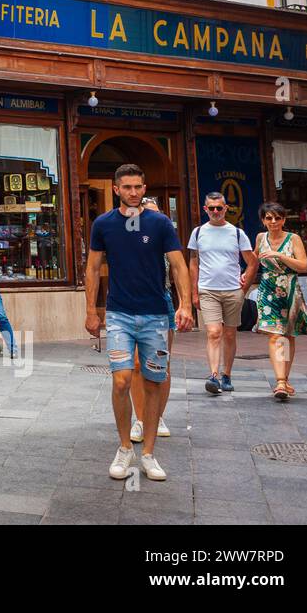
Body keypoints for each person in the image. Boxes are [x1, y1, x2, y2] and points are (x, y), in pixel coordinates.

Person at [85, 163, 192, 483]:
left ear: (145, 189)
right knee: (121, 381)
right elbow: (92, 268)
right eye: (127, 187)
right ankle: (123, 448)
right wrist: (92, 310)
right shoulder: (103, 224)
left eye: (139, 187)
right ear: (116, 189)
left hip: (156, 315)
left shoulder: (160, 223)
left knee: (153, 381)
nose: (133, 192)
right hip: (119, 314)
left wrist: (185, 304)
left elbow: (178, 265)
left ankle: (148, 453)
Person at [188, 192, 258, 395]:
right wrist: (194, 291)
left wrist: (244, 287)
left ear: (226, 208)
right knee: (213, 333)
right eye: (212, 208)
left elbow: (252, 262)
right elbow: (193, 262)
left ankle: (227, 374)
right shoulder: (198, 232)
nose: (216, 212)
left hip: (232, 291)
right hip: (208, 290)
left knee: (229, 334)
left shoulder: (237, 233)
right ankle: (214, 376)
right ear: (205, 210)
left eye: (220, 208)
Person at [128, 197, 176, 445]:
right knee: (137, 364)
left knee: (161, 363)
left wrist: (187, 304)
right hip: (133, 302)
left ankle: (157, 417)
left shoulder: (166, 236)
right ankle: (140, 419)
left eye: (157, 215)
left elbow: (177, 268)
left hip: (161, 300)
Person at [254, 202, 307, 401]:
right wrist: (244, 281)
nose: (273, 222)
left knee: (288, 336)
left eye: (278, 218)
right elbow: (254, 261)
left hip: (290, 289)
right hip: (268, 290)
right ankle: (279, 381)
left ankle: (284, 380)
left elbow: (303, 266)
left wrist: (279, 255)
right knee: (275, 336)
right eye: (269, 218)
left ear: (284, 220)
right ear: (263, 221)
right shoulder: (261, 238)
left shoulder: (293, 239)